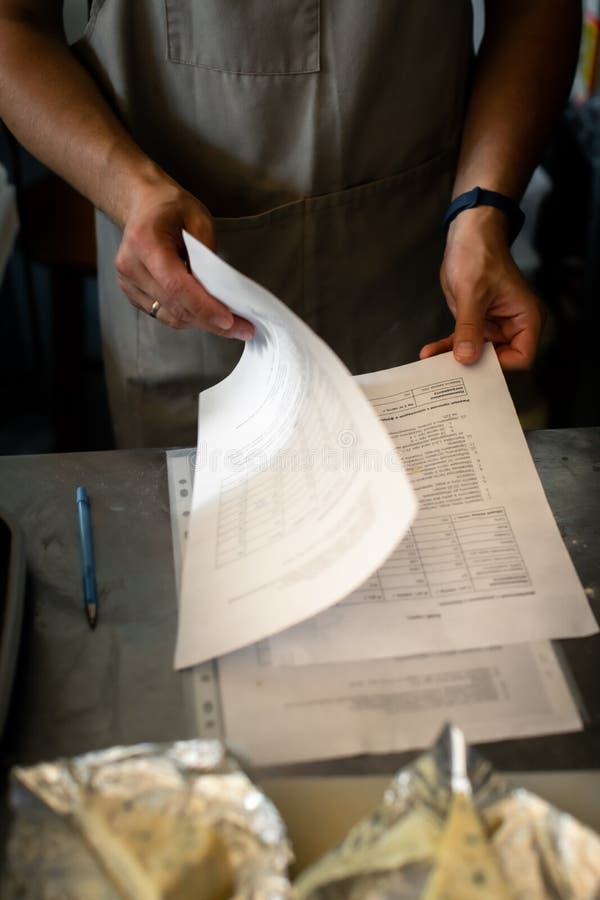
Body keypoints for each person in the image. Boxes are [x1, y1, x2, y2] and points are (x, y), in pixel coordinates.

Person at [0, 1, 580, 447]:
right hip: (189, 300)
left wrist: (482, 208)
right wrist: (130, 189)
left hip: (427, 281)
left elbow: (534, 10)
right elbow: (14, 24)